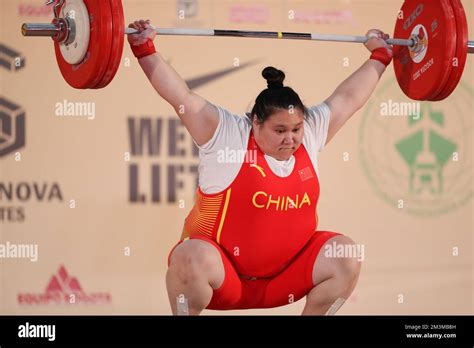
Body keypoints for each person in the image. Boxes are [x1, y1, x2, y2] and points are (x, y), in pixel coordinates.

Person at [127, 19, 393, 315]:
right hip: (224, 283)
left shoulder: (311, 131)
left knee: (346, 255)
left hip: (285, 280)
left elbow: (348, 98)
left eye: (296, 129)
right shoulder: (227, 135)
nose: (290, 139)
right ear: (255, 123)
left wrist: (380, 56)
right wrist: (143, 48)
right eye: (280, 131)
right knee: (189, 256)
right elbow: (181, 97)